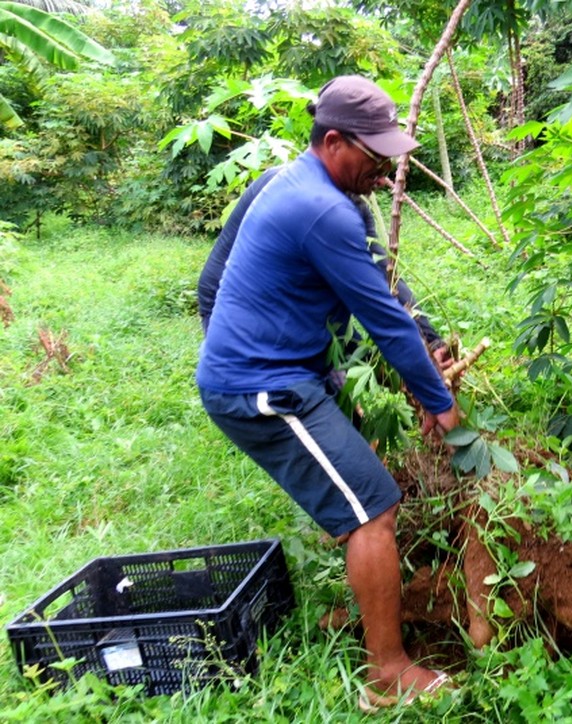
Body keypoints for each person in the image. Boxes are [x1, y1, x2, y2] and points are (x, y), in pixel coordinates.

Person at [196, 75, 460, 710]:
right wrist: (442, 404)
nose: (383, 170)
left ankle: (365, 612)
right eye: (374, 156)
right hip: (260, 390)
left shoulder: (306, 186)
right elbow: (384, 319)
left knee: (364, 500)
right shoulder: (321, 208)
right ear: (333, 140)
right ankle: (387, 674)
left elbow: (384, 293)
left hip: (289, 375)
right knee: (373, 508)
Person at [197, 168, 449, 366]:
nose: (384, 180)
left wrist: (431, 340)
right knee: (309, 383)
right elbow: (363, 302)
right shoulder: (291, 194)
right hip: (233, 305)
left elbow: (381, 269)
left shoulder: (351, 204)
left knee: (354, 364)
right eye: (375, 166)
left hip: (291, 303)